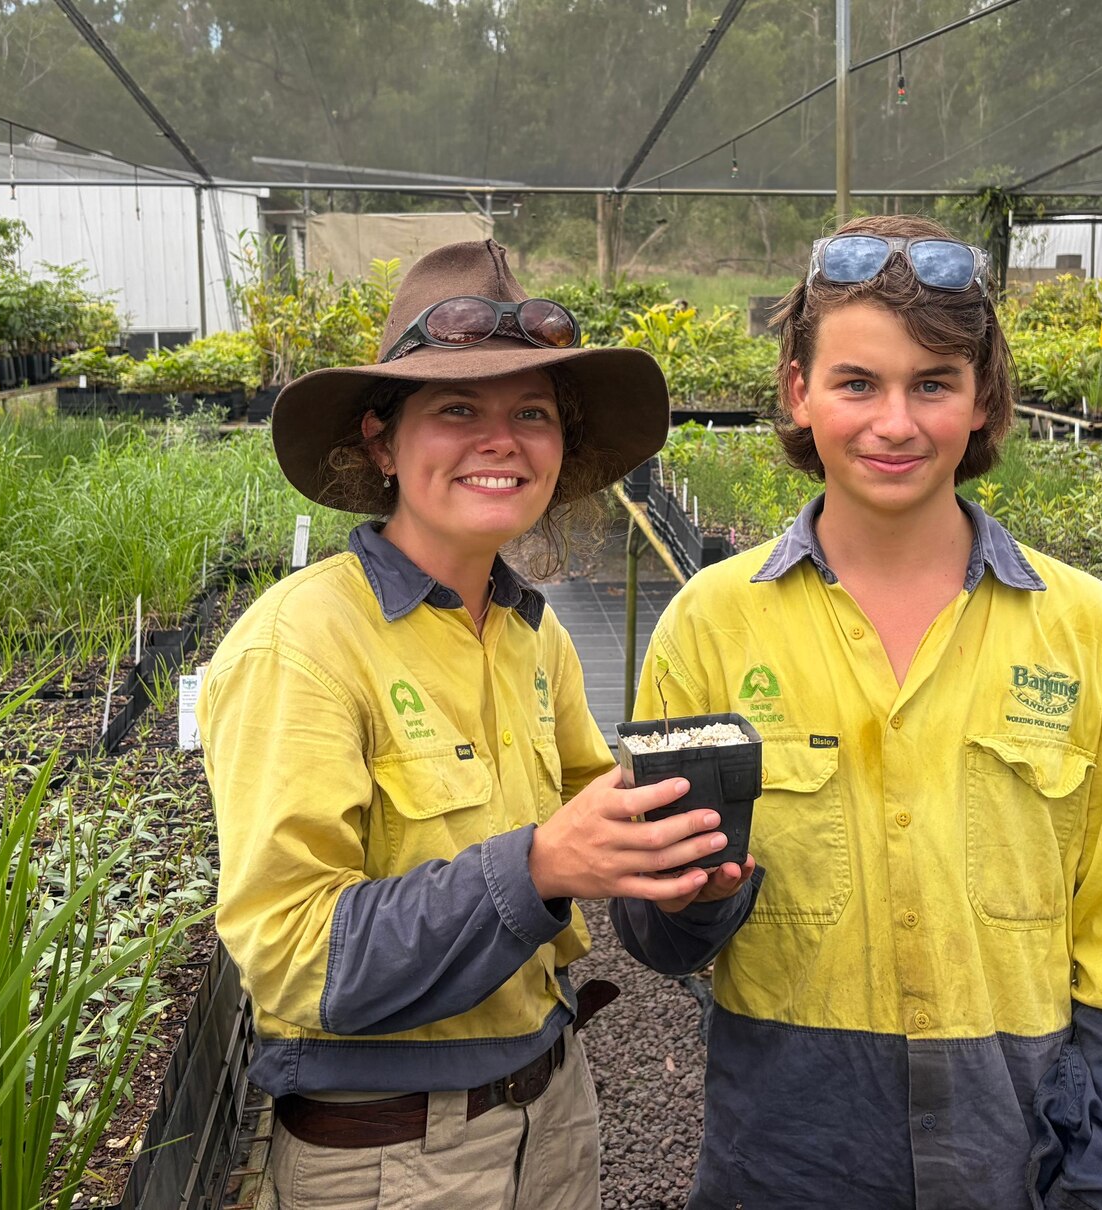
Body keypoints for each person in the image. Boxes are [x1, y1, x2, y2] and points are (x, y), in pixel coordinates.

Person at [613, 214, 1102, 1209]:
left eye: (931, 383)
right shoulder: (708, 627)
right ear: (798, 393)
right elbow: (654, 930)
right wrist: (686, 896)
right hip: (782, 1162)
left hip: (1014, 1160)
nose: (895, 422)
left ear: (980, 401)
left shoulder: (1081, 630)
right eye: (857, 383)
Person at [199, 239, 735, 1209]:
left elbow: (593, 844)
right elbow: (292, 958)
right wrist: (534, 865)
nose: (502, 440)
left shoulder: (534, 636)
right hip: (390, 1160)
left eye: (530, 412)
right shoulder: (302, 644)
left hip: (555, 1117)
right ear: (379, 440)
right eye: (457, 410)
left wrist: (688, 877)